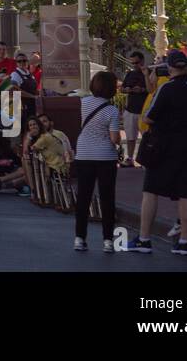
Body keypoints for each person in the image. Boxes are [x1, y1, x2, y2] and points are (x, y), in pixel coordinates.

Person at [129, 49, 187, 256]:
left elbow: (149, 118)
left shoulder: (166, 89)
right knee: (185, 193)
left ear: (170, 67)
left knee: (150, 190)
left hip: (163, 146)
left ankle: (144, 239)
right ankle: (184, 242)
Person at [74, 71, 122, 253]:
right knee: (107, 198)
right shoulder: (112, 110)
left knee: (83, 198)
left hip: (84, 154)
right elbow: (114, 138)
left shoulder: (84, 104)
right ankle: (108, 241)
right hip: (105, 157)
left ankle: (79, 238)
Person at [120, 51, 148, 166]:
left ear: (142, 61)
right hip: (131, 109)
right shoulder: (130, 74)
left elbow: (153, 89)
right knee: (130, 137)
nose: (135, 65)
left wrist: (142, 90)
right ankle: (130, 158)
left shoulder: (148, 73)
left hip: (144, 110)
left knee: (146, 137)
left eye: (137, 62)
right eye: (133, 63)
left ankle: (145, 159)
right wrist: (128, 90)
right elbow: (122, 88)